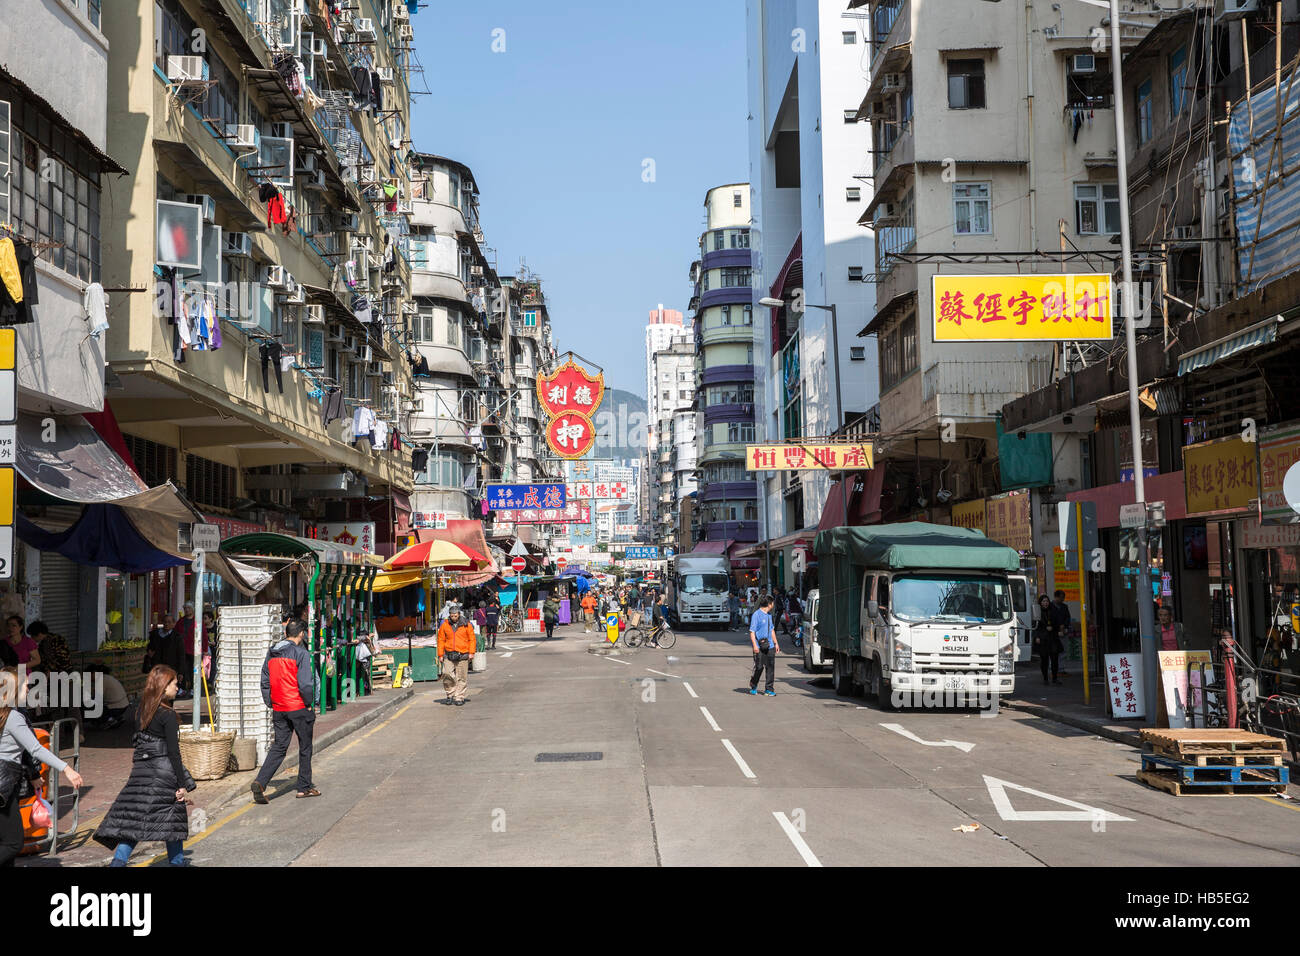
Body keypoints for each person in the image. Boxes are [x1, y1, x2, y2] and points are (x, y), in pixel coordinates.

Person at [92, 665, 192, 867]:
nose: (177, 686)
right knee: (172, 822)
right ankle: (177, 863)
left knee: (133, 823)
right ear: (163, 687)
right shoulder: (168, 715)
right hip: (164, 774)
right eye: (173, 683)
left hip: (141, 774)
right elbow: (173, 752)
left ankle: (117, 864)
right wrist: (182, 785)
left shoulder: (141, 712)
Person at [0, 667, 85, 866]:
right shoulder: (13, 717)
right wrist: (67, 768)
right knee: (13, 843)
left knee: (6, 841)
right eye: (25, 686)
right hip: (3, 785)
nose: (28, 689)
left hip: (5, 787)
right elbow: (36, 749)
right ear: (13, 690)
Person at [250, 620, 319, 803]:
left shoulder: (272, 653)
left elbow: (264, 680)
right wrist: (309, 702)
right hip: (297, 705)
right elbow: (305, 683)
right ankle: (304, 787)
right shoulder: (301, 653)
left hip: (279, 707)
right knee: (305, 746)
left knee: (279, 746)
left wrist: (270, 702)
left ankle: (260, 781)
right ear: (301, 634)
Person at [437, 608, 476, 706]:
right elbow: (441, 640)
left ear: (459, 614)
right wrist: (440, 654)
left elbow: (472, 639)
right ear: (449, 615)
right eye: (452, 615)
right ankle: (450, 694)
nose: (454, 617)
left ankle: (459, 697)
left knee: (462, 677)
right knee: (447, 674)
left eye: (455, 615)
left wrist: (471, 652)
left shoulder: (467, 624)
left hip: (462, 653)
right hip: (448, 653)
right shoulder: (445, 625)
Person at [748, 595, 779, 697]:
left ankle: (769, 689)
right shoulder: (756, 615)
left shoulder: (769, 615)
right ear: (769, 604)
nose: (773, 605)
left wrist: (776, 643)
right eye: (773, 603)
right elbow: (752, 632)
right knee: (759, 667)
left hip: (769, 645)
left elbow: (772, 630)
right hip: (759, 646)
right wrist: (755, 646)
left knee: (770, 668)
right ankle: (754, 685)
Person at [1032, 594, 1061, 685]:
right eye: (1043, 601)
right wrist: (1036, 636)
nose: (1045, 603)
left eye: (1047, 601)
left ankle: (1055, 678)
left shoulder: (1053, 611)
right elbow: (1035, 626)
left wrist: (1053, 628)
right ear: (1040, 603)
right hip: (1042, 639)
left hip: (1053, 638)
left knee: (1054, 659)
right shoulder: (1037, 612)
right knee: (1044, 660)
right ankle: (1045, 678)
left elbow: (1058, 622)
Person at [1049, 590, 1072, 674]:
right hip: (1054, 633)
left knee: (1063, 650)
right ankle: (1053, 668)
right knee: (1054, 651)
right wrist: (1057, 627)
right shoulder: (1050, 607)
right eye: (1061, 597)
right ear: (1056, 597)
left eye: (1063, 597)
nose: (1063, 599)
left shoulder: (1064, 607)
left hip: (1064, 632)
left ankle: (1061, 669)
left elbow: (1068, 618)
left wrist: (1065, 626)